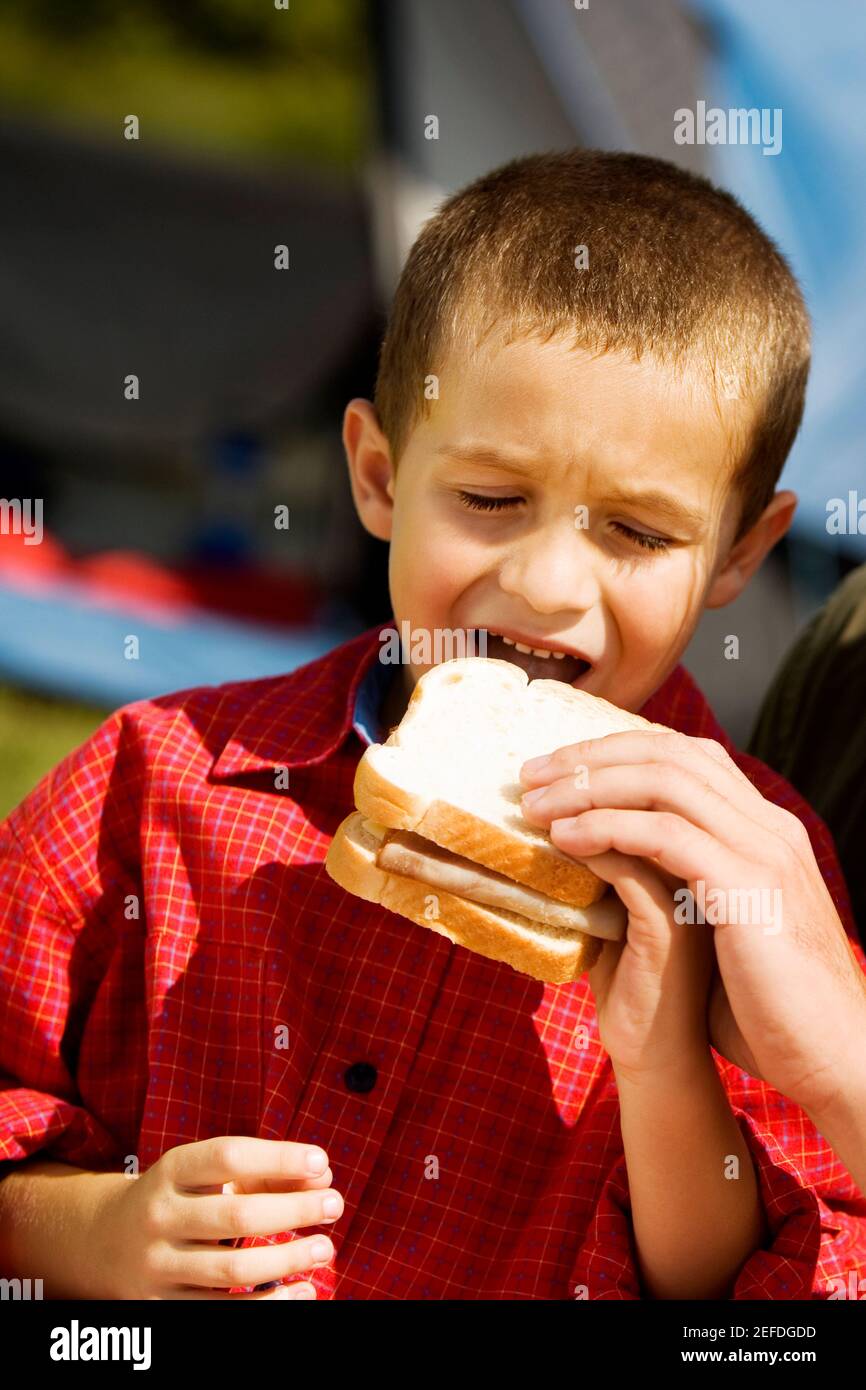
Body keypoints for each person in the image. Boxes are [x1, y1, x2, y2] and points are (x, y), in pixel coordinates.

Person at [1, 150, 865, 1301]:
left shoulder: (758, 885)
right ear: (375, 474)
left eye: (638, 532)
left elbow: (753, 1285)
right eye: (490, 500)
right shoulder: (151, 780)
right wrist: (95, 1235)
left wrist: (661, 1061)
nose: (550, 583)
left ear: (739, 557)